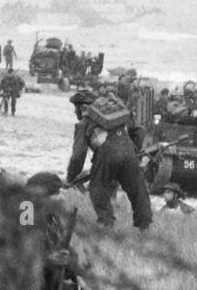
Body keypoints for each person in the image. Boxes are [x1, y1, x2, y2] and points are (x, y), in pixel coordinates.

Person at [65, 90, 152, 231]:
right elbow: (139, 132)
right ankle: (145, 227)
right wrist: (133, 151)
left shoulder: (84, 123)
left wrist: (70, 177)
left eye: (75, 109)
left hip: (107, 155)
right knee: (138, 189)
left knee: (97, 188)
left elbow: (78, 155)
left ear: (82, 108)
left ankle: (106, 224)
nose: (75, 113)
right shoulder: (118, 116)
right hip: (129, 152)